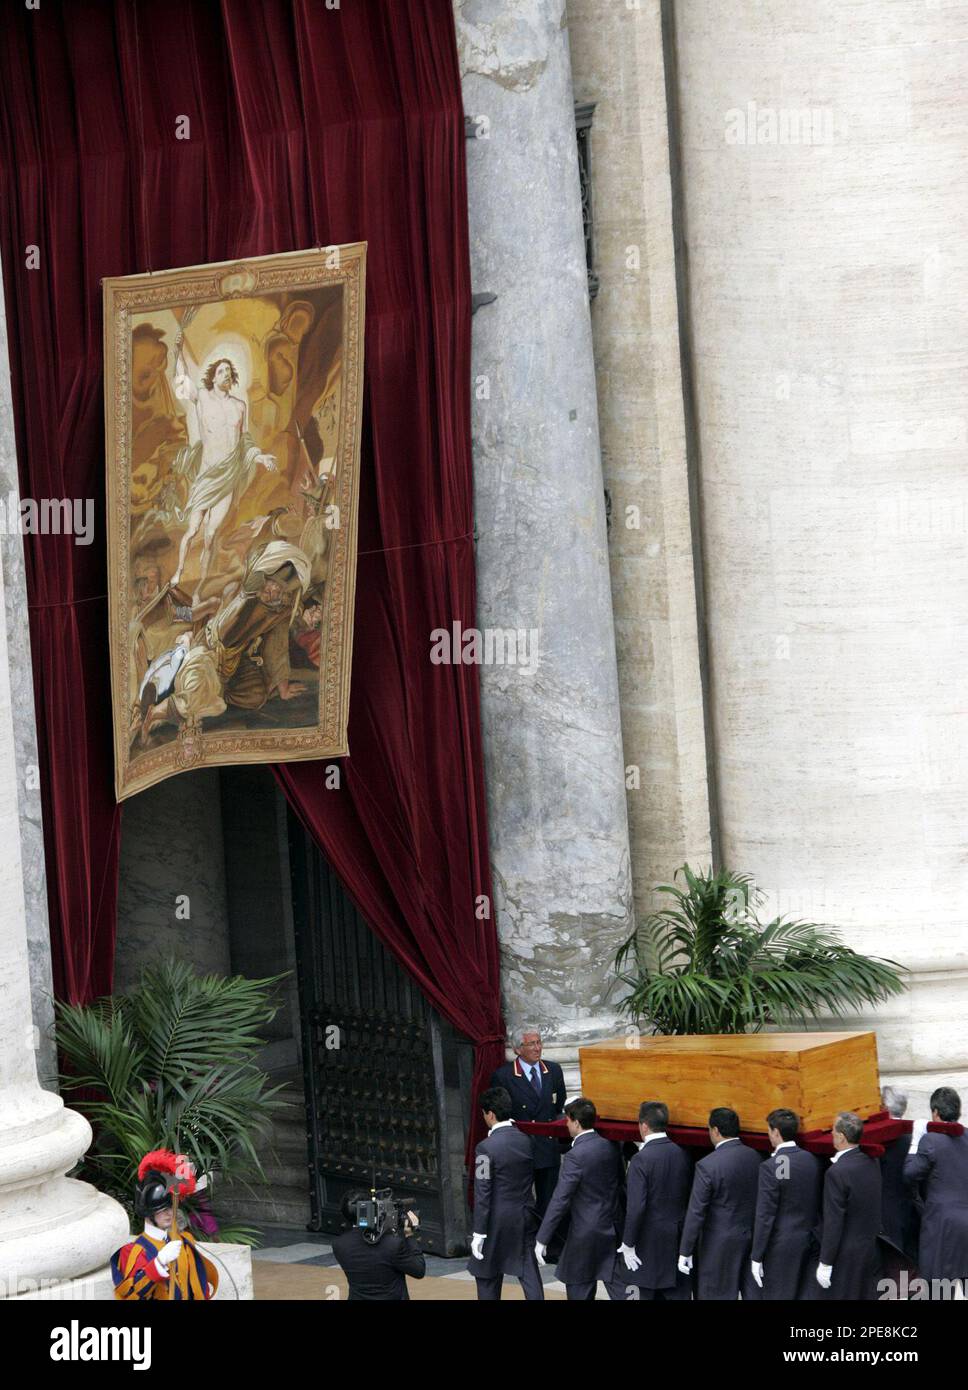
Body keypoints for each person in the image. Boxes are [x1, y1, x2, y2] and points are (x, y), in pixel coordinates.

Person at [170, 336, 278, 601]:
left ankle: (199, 587)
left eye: (229, 372)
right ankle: (179, 572)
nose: (226, 375)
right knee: (193, 530)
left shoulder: (239, 406)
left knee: (210, 535)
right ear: (213, 377)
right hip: (207, 476)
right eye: (221, 371)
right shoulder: (203, 398)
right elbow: (182, 382)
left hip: (228, 478)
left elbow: (246, 440)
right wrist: (178, 354)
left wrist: (260, 457)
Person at [535, 1097, 623, 1300]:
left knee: (579, 1291)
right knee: (622, 1291)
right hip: (612, 1227)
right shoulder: (610, 1146)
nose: (566, 1125)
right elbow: (620, 1183)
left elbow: (560, 1199)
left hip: (584, 1234)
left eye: (567, 1120)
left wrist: (542, 1237)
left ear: (575, 1122)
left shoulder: (575, 1155)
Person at [468, 1086, 544, 1300]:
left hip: (496, 1221)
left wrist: (479, 1232)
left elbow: (483, 1191)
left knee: (486, 1273)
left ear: (490, 1114)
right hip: (524, 1214)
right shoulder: (526, 1141)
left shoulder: (484, 1148)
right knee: (529, 1271)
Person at [678, 1106, 761, 1300]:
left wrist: (685, 1250)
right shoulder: (756, 1157)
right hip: (750, 1236)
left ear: (715, 1130)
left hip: (718, 1245)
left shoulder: (707, 1165)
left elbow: (696, 1212)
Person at [614, 1100, 692, 1301]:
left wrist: (628, 1243)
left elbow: (636, 1206)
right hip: (676, 1236)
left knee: (642, 1293)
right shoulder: (682, 1153)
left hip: (647, 1240)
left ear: (644, 1126)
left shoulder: (641, 1159)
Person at [111, 1166, 218, 1301]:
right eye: (162, 1209)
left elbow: (199, 1286)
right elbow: (131, 1294)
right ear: (148, 1213)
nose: (169, 1213)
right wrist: (158, 1263)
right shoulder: (133, 1251)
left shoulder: (183, 1241)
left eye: (170, 1207)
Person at [491, 1028, 566, 1216]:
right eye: (531, 1044)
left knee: (549, 1202)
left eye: (539, 1042)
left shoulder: (553, 1070)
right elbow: (501, 1114)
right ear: (517, 1049)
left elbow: (559, 1106)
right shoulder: (504, 1076)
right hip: (520, 1149)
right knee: (520, 1202)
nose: (537, 1048)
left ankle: (548, 1242)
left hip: (548, 1147)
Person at [750, 1108, 822, 1299]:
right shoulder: (811, 1159)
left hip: (781, 1246)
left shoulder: (773, 1166)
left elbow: (766, 1214)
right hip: (808, 1238)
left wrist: (756, 1255)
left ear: (775, 1132)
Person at [904, 1085, 968, 1291]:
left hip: (942, 1227)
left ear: (935, 1113)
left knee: (939, 1291)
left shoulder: (930, 1140)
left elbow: (910, 1174)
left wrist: (914, 1142)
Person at [816, 1111, 883, 1299]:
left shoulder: (836, 1173)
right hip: (869, 1248)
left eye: (833, 1131)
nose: (830, 1134)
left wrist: (826, 1262)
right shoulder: (872, 1161)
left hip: (846, 1255)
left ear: (842, 1137)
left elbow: (834, 1222)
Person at [331, 1190, 425, 1301]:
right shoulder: (392, 1244)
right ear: (370, 1210)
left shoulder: (339, 1244)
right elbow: (419, 1270)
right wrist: (409, 1235)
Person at [879, 1084, 919, 1279]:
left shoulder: (879, 1140)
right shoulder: (914, 1137)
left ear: (883, 1108)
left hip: (887, 1209)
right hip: (911, 1207)